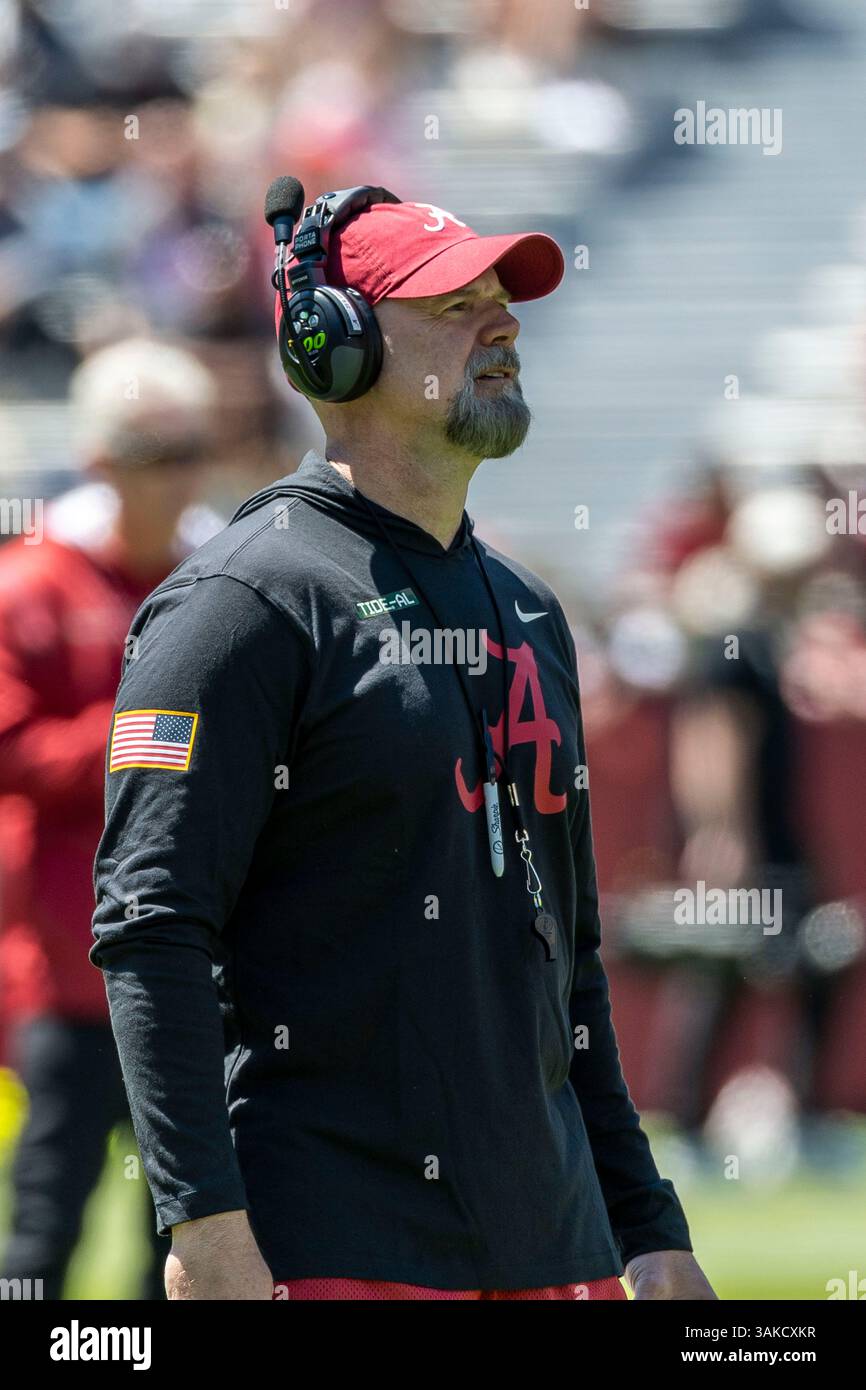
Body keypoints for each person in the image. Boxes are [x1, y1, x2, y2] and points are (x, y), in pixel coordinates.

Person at [91, 191, 716, 1301]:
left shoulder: (528, 609)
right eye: (455, 301)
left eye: (503, 300)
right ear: (334, 344)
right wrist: (207, 1226)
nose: (502, 325)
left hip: (553, 1243)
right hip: (336, 1245)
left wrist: (644, 1225)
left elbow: (564, 964)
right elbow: (152, 931)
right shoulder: (241, 604)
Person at [0, 337, 219, 1299]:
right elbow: (12, 754)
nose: (182, 477)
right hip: (66, 962)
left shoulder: (215, 582)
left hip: (193, 960)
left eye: (192, 450)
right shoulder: (33, 586)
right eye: (157, 453)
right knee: (45, 1218)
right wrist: (143, 735)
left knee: (182, 1231)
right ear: (101, 460)